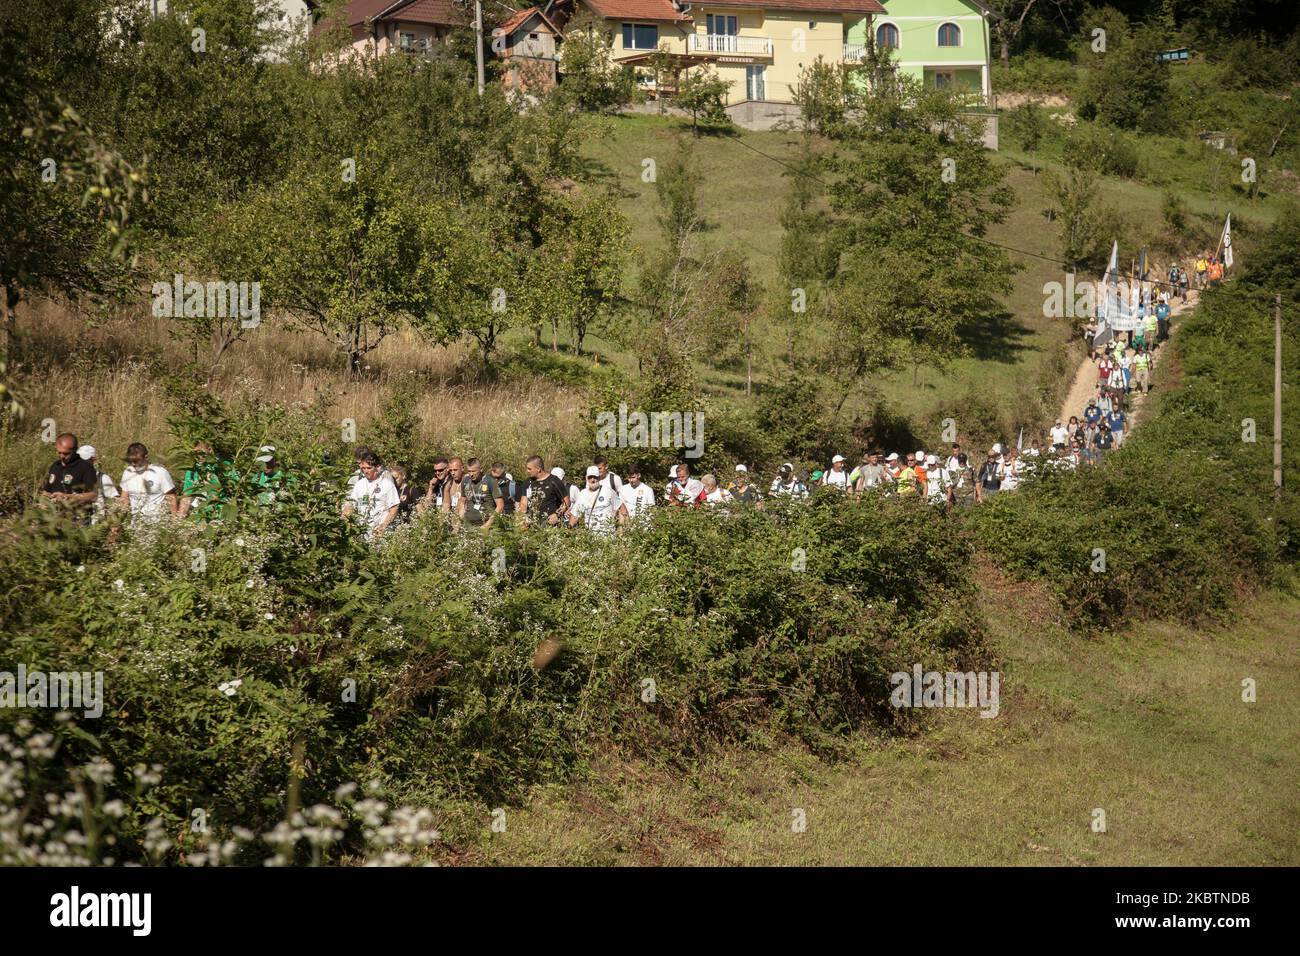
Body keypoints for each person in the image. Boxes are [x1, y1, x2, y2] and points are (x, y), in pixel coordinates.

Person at [343, 449, 399, 540]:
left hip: (381, 534)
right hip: (362, 532)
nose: (366, 471)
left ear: (377, 467)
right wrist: (344, 518)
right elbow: (351, 504)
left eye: (369, 468)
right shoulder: (359, 484)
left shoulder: (387, 485)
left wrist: (383, 527)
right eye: (363, 468)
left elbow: (394, 508)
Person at [42, 432, 99, 522]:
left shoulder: (85, 467)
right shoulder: (55, 466)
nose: (62, 456)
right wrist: (48, 498)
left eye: (66, 453)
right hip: (54, 519)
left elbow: (93, 495)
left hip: (77, 520)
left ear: (75, 450)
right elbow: (46, 491)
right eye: (59, 452)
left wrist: (67, 497)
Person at [119, 442, 178, 522]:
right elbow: (124, 498)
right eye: (131, 461)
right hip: (136, 524)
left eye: (137, 461)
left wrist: (174, 521)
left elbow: (171, 497)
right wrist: (119, 520)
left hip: (157, 523)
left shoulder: (160, 472)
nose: (133, 464)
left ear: (146, 457)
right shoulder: (127, 472)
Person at [179, 441, 230, 519]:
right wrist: (180, 519)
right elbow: (187, 497)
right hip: (200, 518)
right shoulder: (192, 471)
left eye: (200, 453)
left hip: (221, 516)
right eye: (195, 454)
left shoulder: (224, 466)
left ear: (209, 450)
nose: (198, 456)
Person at [570, 465, 626, 534]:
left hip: (608, 536)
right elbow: (575, 515)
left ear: (599, 478)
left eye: (595, 477)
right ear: (586, 478)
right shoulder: (582, 494)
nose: (592, 480)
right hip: (590, 537)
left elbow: (622, 509)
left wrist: (621, 531)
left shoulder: (608, 491)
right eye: (590, 477)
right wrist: (568, 529)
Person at [519, 455, 569, 526]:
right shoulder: (528, 482)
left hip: (550, 526)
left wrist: (557, 515)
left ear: (538, 469)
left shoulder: (554, 481)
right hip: (532, 526)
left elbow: (566, 502)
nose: (527, 471)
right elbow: (523, 503)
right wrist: (522, 519)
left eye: (529, 469)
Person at [77, 445, 120, 525]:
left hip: (96, 526)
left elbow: (115, 500)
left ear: (93, 460)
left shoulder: (102, 478)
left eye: (85, 460)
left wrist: (111, 521)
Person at [459, 458, 504, 530]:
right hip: (468, 525)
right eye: (469, 471)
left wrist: (488, 525)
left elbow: (500, 505)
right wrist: (460, 520)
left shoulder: (490, 481)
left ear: (481, 469)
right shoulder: (465, 481)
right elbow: (462, 501)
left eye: (473, 471)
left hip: (486, 525)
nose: (471, 474)